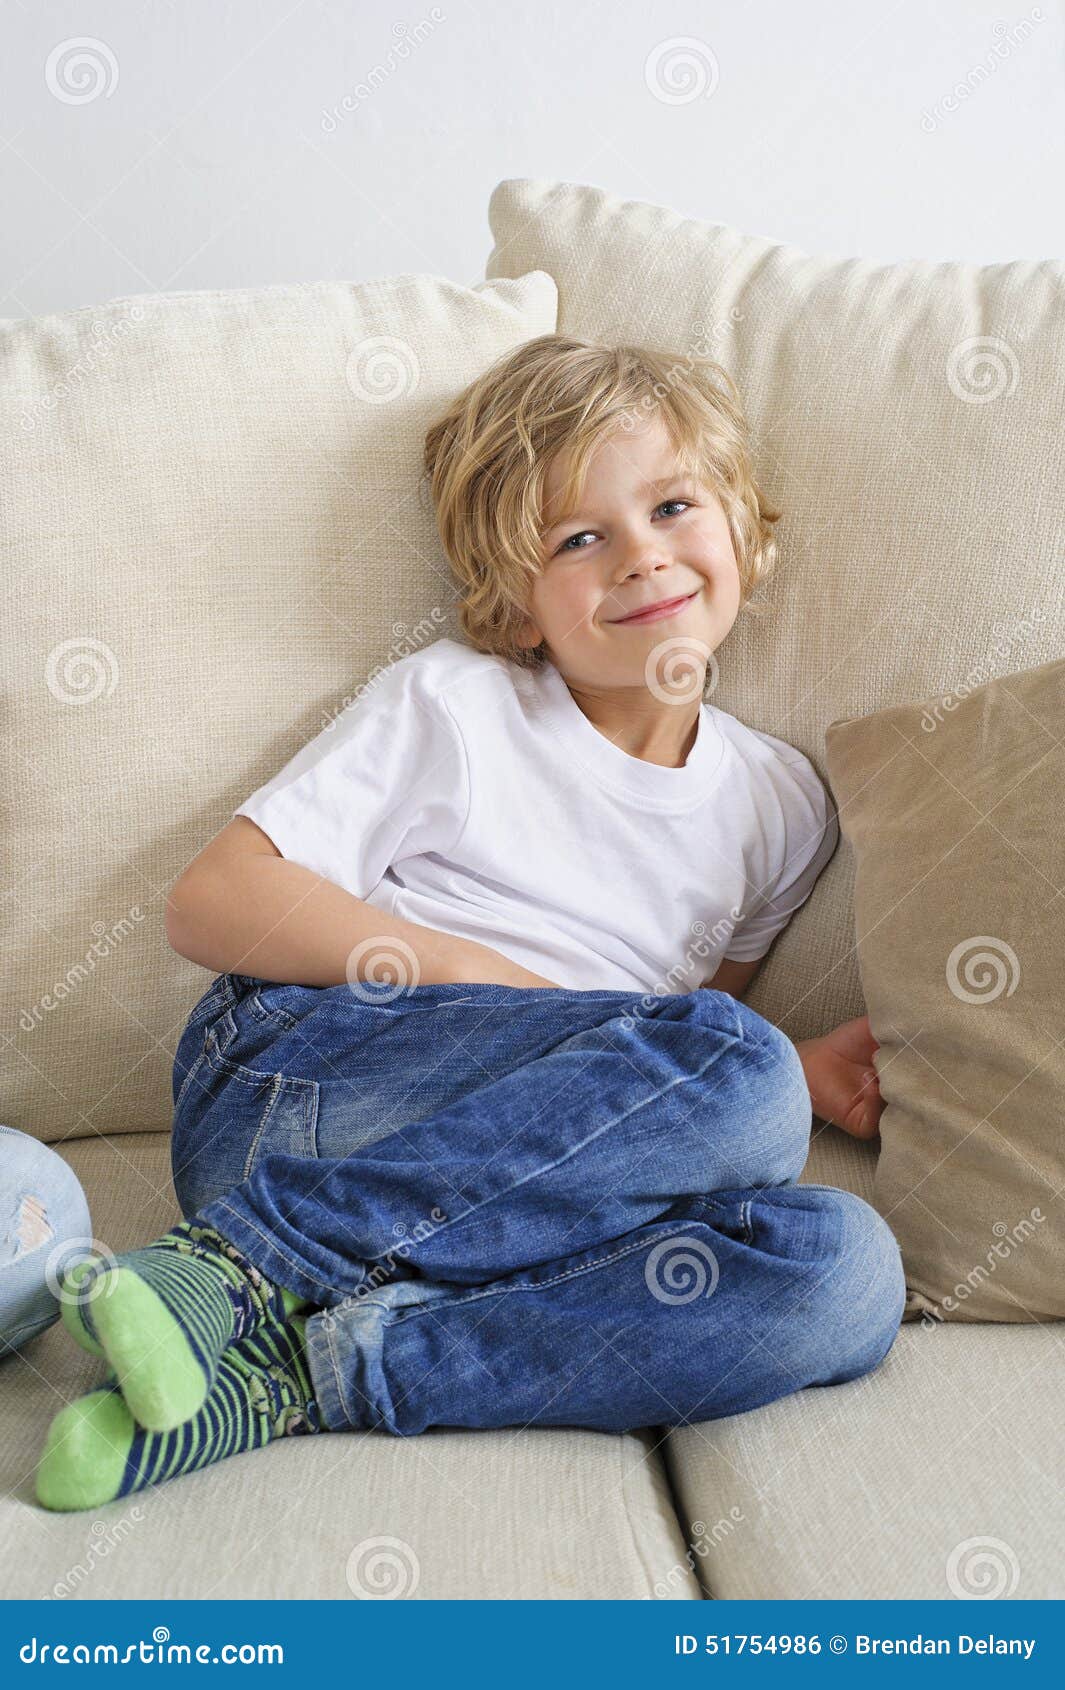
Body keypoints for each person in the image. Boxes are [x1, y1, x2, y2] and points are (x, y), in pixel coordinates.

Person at [35, 335, 904, 1511]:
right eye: (580, 538)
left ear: (743, 526)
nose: (641, 556)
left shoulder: (780, 805)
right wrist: (464, 972)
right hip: (305, 1086)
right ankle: (234, 1268)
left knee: (847, 1273)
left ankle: (304, 1370)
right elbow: (213, 901)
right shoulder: (454, 703)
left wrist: (791, 1070)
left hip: (490, 1208)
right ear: (516, 599)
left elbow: (666, 1084)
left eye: (672, 505)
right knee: (744, 1069)